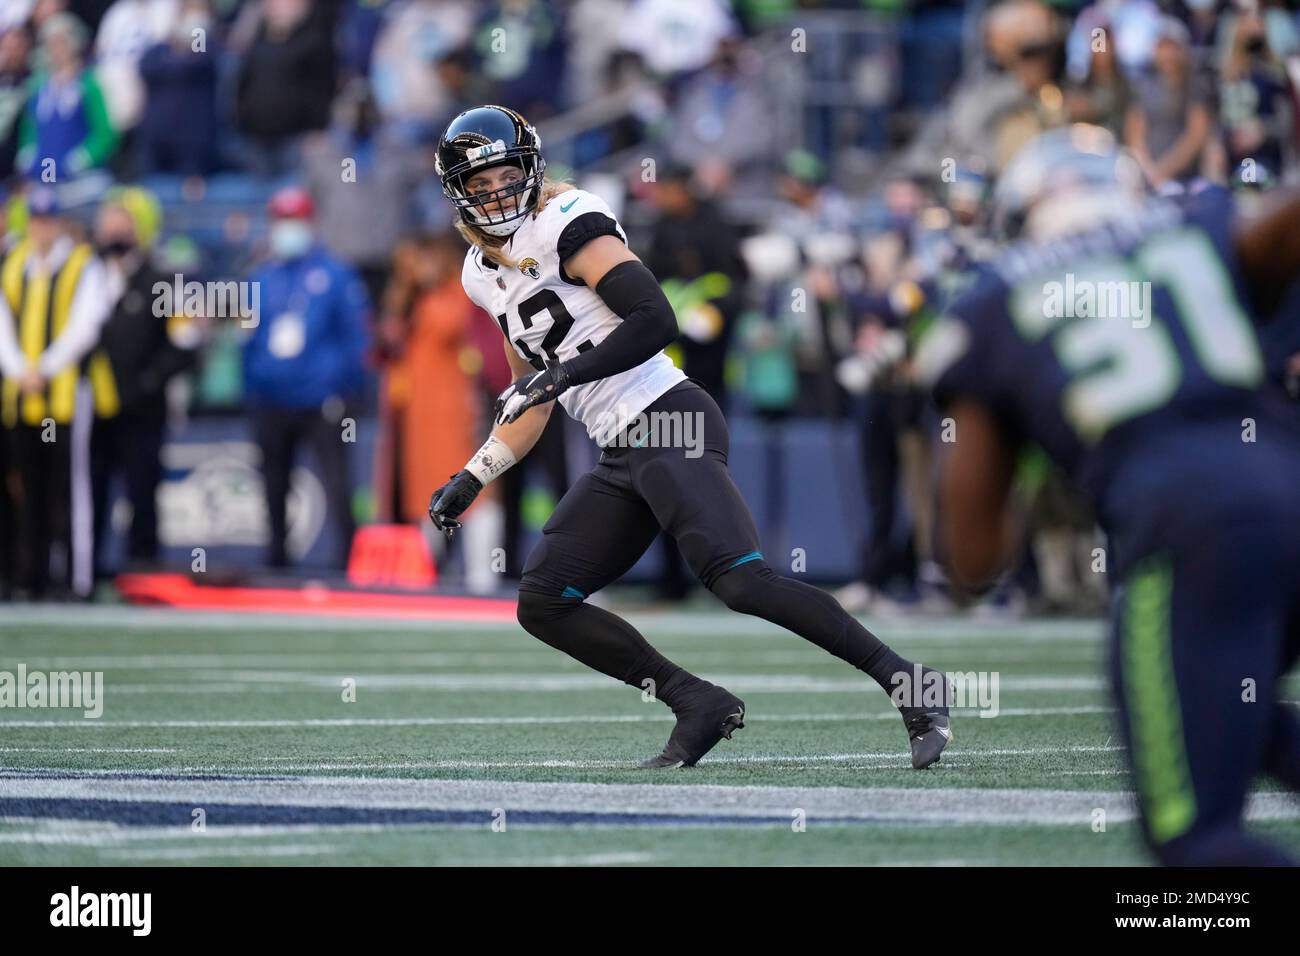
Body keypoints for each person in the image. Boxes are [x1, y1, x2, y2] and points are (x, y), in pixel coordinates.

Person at [427, 105, 953, 770]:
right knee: (544, 601)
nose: (497, 190)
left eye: (505, 172)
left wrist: (565, 374)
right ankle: (695, 702)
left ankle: (911, 682)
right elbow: (529, 393)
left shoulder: (568, 221)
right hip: (618, 446)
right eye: (481, 182)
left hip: (667, 414)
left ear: (530, 167)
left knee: (741, 581)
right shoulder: (480, 273)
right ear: (459, 194)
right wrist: (475, 473)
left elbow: (654, 318)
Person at [915, 125, 1300, 864]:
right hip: (1286, 483)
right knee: (1235, 717)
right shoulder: (1198, 223)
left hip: (1188, 526)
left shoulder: (989, 306)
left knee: (1197, 849)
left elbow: (971, 559)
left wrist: (1034, 427)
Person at [242, 186, 370, 568]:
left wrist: (346, 388)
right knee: (273, 485)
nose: (287, 228)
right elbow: (246, 340)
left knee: (337, 483)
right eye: (281, 221)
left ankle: (348, 563)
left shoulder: (336, 274)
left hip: (322, 399)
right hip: (271, 399)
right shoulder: (260, 277)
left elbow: (356, 336)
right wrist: (253, 389)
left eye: (294, 220)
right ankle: (276, 560)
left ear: (310, 222)